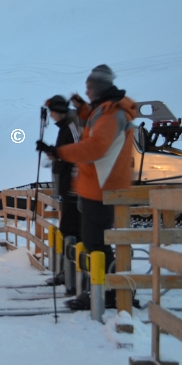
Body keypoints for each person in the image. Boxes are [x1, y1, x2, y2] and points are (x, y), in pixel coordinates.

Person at [37, 65, 137, 310]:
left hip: (103, 186)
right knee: (92, 242)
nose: (87, 91)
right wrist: (83, 108)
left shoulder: (112, 113)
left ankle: (110, 293)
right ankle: (102, 290)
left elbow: (95, 147)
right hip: (94, 185)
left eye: (89, 88)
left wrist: (57, 152)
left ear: (99, 88)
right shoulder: (104, 110)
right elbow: (92, 129)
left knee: (96, 243)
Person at [45, 95, 82, 243]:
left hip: (74, 188)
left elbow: (78, 154)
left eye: (52, 111)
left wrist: (74, 187)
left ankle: (76, 263)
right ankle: (71, 263)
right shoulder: (66, 127)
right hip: (67, 187)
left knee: (72, 229)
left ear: (59, 110)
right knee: (68, 229)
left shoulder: (72, 126)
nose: (51, 115)